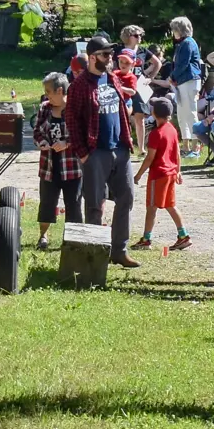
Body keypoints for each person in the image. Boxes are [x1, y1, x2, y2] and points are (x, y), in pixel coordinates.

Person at [64, 33, 141, 268]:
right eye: (105, 54)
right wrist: (83, 153)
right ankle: (95, 255)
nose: (110, 58)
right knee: (95, 205)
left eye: (111, 54)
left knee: (126, 197)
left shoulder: (113, 78)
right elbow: (71, 121)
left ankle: (119, 251)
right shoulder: (79, 86)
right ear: (92, 57)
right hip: (95, 152)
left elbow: (121, 109)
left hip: (120, 149)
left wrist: (128, 140)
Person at [133, 95, 190, 252]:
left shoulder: (155, 134)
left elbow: (150, 158)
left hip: (158, 175)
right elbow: (177, 152)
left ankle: (146, 239)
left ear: (154, 113)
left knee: (151, 208)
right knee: (171, 205)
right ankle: (183, 236)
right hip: (170, 173)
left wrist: (138, 175)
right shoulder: (172, 129)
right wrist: (178, 171)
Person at [31, 71, 80, 249]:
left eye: (48, 91)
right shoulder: (44, 108)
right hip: (49, 166)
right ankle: (43, 237)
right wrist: (41, 142)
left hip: (72, 167)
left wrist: (67, 143)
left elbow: (83, 135)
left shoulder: (75, 108)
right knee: (47, 203)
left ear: (60, 91)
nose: (46, 95)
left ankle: (72, 241)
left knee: (73, 204)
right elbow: (36, 131)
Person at [168, 17, 203, 155]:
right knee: (182, 114)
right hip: (182, 82)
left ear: (179, 29)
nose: (173, 32)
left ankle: (195, 146)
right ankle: (186, 146)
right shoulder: (182, 44)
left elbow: (183, 64)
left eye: (174, 29)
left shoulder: (188, 42)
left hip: (190, 80)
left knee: (191, 113)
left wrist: (172, 76)